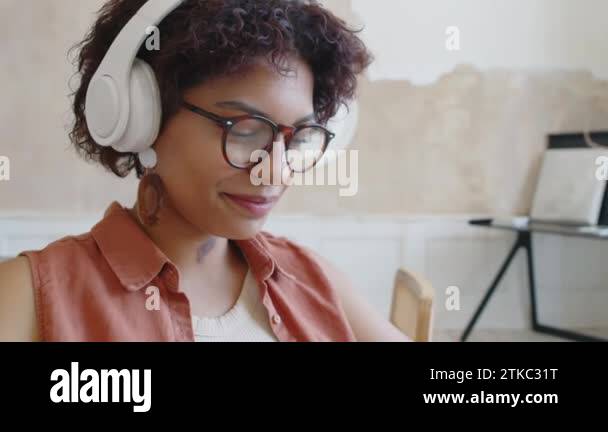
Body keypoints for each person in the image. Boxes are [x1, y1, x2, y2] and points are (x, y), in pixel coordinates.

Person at [0, 0, 409, 342]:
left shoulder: (312, 280)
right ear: (143, 119)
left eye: (298, 136)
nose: (277, 171)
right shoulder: (32, 296)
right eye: (245, 132)